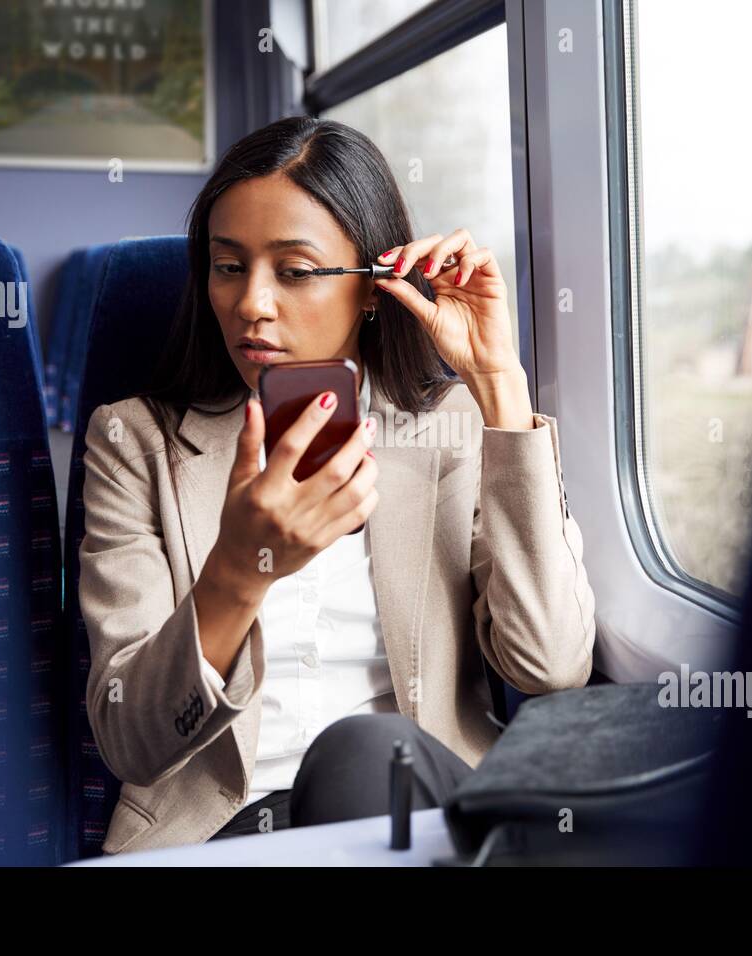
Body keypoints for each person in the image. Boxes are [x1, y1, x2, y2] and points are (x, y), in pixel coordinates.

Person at [78, 116, 596, 854]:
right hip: (217, 829)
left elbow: (550, 666)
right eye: (229, 267)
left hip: (414, 812)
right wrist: (238, 569)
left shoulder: (452, 427)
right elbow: (131, 741)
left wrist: (496, 386)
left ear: (374, 290)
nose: (252, 302)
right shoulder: (136, 442)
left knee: (364, 756)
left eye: (294, 271)